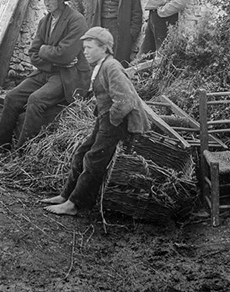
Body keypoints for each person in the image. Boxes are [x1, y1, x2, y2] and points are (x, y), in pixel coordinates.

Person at [43, 27, 150, 216]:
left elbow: (126, 101)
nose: (85, 52)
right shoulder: (102, 65)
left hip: (118, 122)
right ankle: (66, 195)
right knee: (81, 152)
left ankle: (74, 204)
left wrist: (111, 120)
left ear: (104, 48)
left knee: (94, 160)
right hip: (106, 119)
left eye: (89, 48)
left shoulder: (112, 67)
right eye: (84, 48)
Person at [0, 0, 90, 149]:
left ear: (61, 0)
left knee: (35, 100)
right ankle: (1, 144)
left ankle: (22, 151)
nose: (47, 2)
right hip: (50, 71)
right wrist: (52, 59)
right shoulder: (44, 22)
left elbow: (65, 54)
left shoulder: (76, 20)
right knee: (11, 97)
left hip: (68, 76)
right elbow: (33, 53)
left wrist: (45, 51)